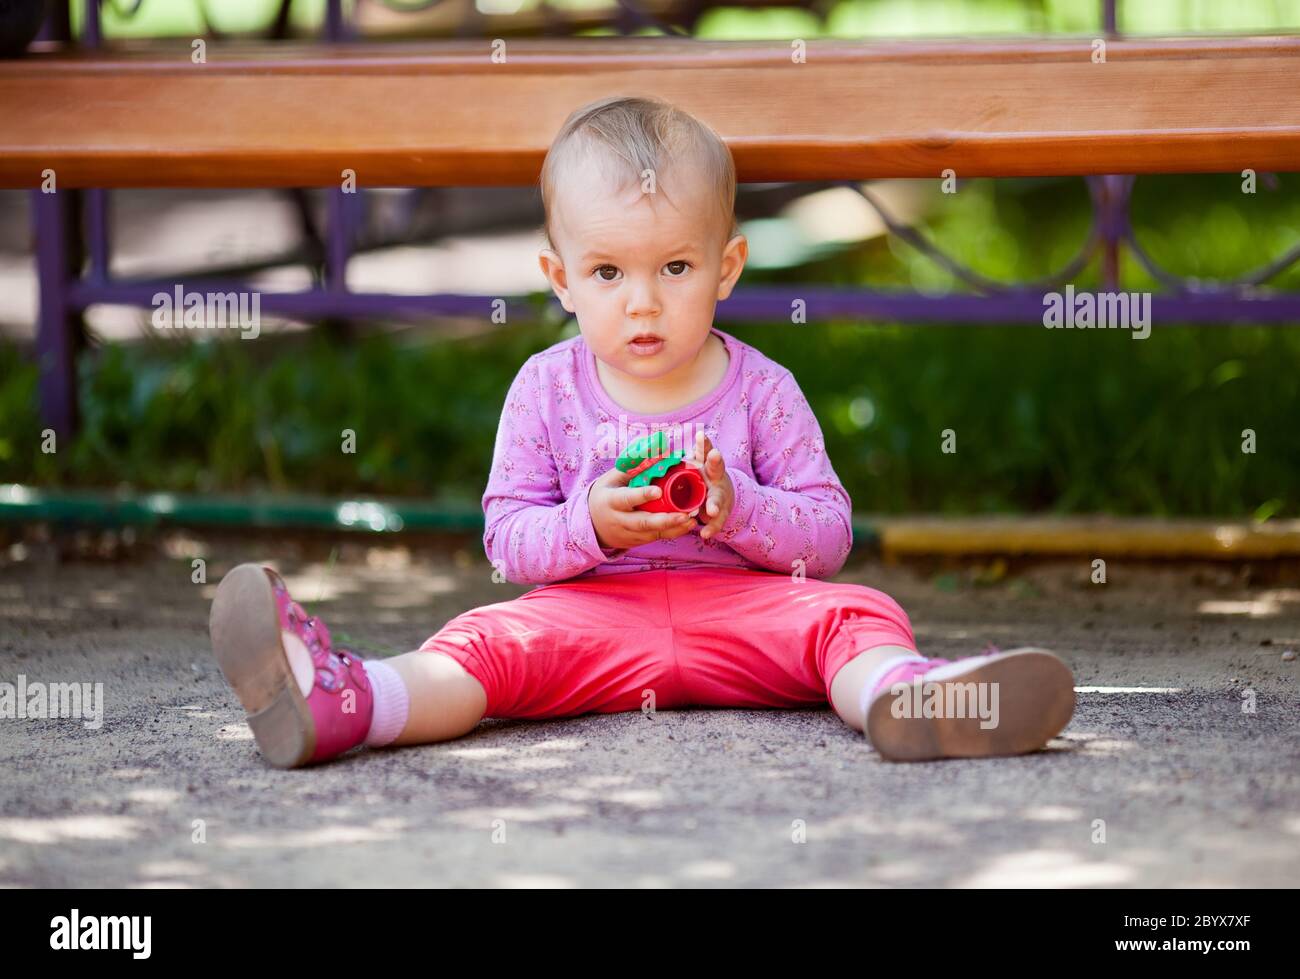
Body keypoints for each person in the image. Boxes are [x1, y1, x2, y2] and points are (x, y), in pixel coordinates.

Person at [208, 95, 1075, 769]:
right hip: (591, 619)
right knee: (482, 641)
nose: (643, 300)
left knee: (860, 613)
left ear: (726, 267)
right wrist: (592, 525)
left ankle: (911, 698)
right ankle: (351, 699)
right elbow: (508, 542)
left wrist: (738, 510)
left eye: (675, 266)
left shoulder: (762, 389)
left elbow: (830, 535)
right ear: (560, 278)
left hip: (748, 617)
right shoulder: (546, 388)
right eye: (608, 271)